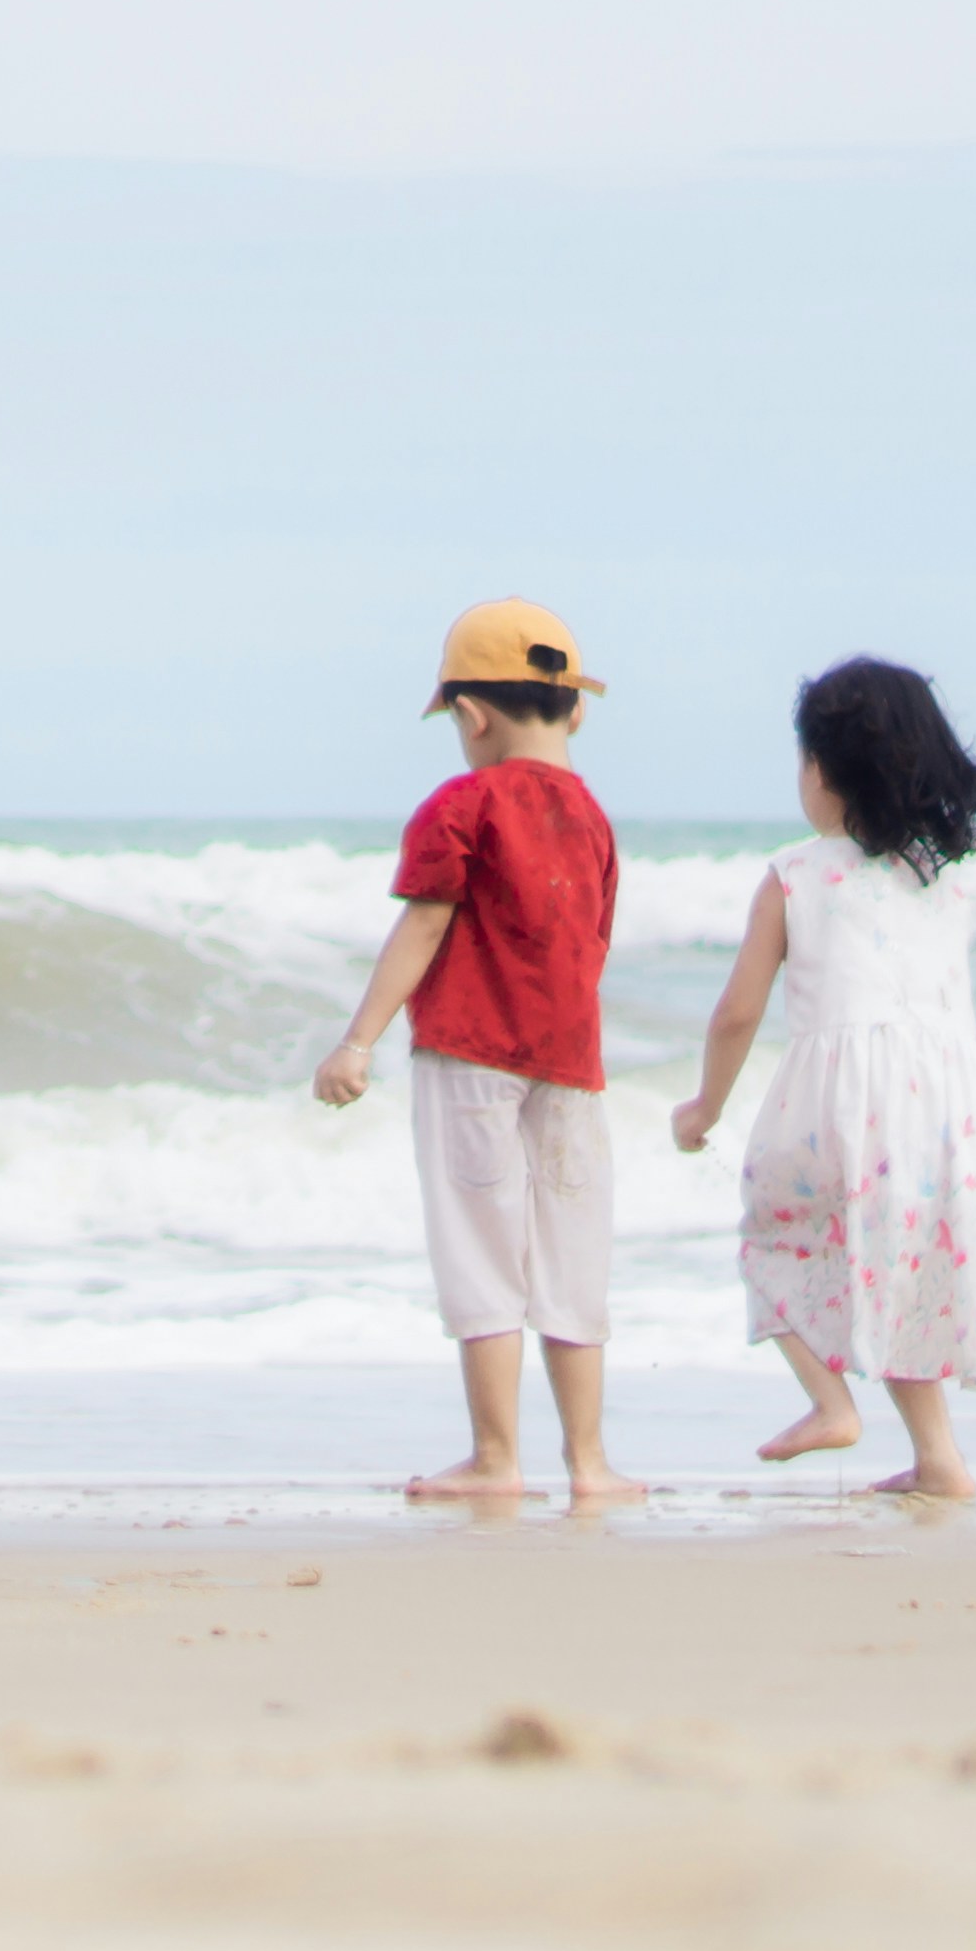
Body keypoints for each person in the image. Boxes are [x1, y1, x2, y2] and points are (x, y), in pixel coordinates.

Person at [667, 655, 976, 1497]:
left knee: (773, 1240)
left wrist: (704, 1107)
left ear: (822, 769)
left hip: (841, 1103)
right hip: (951, 1114)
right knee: (904, 1269)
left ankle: (830, 1404)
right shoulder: (942, 877)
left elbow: (737, 1013)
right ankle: (938, 1461)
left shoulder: (794, 873)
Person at [314, 599, 641, 1504]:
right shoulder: (596, 820)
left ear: (469, 714)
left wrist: (357, 1041)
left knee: (481, 1251)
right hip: (571, 1067)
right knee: (574, 1255)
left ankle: (497, 1458)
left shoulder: (460, 804)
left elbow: (423, 928)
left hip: (467, 1056)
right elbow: (594, 944)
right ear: (576, 709)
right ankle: (591, 1463)